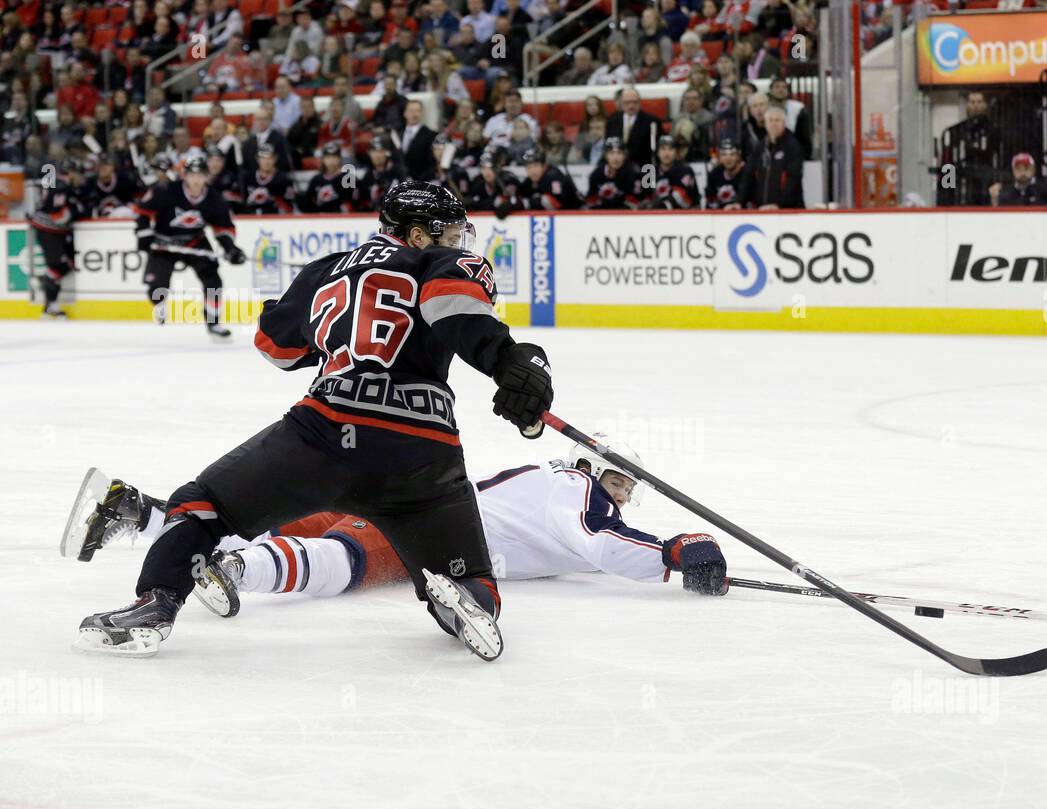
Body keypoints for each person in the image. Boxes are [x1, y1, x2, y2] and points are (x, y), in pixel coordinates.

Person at [76, 183, 556, 661]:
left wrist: (306, 322)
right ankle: (466, 599)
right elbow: (457, 314)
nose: (456, 243)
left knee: (200, 505)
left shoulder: (324, 273)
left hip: (323, 433)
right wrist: (514, 362)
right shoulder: (439, 262)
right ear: (415, 235)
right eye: (449, 234)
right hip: (422, 448)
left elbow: (275, 348)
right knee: (469, 574)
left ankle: (156, 603)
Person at [65, 437, 731, 616]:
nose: (621, 495)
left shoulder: (552, 485)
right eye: (619, 481)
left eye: (626, 488)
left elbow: (585, 551)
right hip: (429, 525)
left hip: (393, 495)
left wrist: (666, 553)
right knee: (349, 564)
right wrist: (674, 552)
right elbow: (600, 540)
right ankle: (240, 570)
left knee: (259, 518)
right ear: (595, 468)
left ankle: (146, 511)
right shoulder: (577, 488)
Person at [134, 156, 246, 340]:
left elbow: (223, 228)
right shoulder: (166, 191)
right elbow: (142, 213)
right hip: (164, 242)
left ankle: (214, 324)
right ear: (184, 176)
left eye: (200, 175)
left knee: (213, 281)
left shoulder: (214, 199)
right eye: (192, 175)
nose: (196, 180)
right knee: (156, 286)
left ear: (206, 177)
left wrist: (230, 248)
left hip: (194, 241)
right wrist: (144, 235)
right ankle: (159, 304)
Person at [30, 172, 81, 318]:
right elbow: (58, 216)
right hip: (49, 230)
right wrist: (77, 211)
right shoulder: (60, 186)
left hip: (55, 231)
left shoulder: (57, 183)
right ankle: (50, 305)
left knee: (66, 264)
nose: (80, 177)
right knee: (57, 264)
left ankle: (46, 280)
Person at [748, 106, 804, 209]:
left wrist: (779, 204)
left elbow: (793, 179)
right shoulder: (760, 147)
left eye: (777, 120)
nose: (773, 124)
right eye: (770, 120)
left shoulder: (792, 146)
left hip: (788, 210)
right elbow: (748, 174)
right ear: (765, 123)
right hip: (762, 208)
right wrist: (739, 201)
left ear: (784, 123)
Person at [514, 147, 583, 210]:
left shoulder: (553, 177)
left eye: (536, 166)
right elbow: (520, 194)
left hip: (579, 216)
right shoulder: (530, 180)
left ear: (544, 166)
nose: (532, 171)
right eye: (528, 167)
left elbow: (555, 203)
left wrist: (525, 203)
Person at [643, 135, 700, 209]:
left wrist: (663, 205)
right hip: (657, 216)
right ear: (657, 152)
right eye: (663, 149)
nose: (667, 153)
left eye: (671, 149)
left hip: (684, 216)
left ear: (676, 152)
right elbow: (644, 198)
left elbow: (685, 200)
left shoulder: (685, 171)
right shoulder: (649, 172)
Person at [236, 143, 295, 215]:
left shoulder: (284, 179)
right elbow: (241, 203)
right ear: (257, 159)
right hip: (251, 219)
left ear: (275, 158)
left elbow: (289, 206)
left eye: (270, 158)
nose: (266, 161)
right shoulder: (247, 177)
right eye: (263, 158)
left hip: (275, 219)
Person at [585, 136, 642, 209]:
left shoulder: (632, 174)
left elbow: (634, 205)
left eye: (619, 153)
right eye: (611, 153)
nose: (616, 157)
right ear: (605, 155)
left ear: (624, 155)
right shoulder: (596, 174)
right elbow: (591, 202)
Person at [299, 142, 357, 213]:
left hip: (342, 219)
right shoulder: (316, 179)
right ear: (323, 159)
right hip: (321, 220)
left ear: (339, 158)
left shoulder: (348, 179)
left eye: (334, 156)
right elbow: (309, 203)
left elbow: (352, 203)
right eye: (328, 157)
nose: (331, 160)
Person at [705, 137, 752, 209]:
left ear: (738, 155)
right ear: (719, 157)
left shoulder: (748, 174)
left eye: (732, 154)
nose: (728, 158)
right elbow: (710, 205)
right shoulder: (714, 175)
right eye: (724, 154)